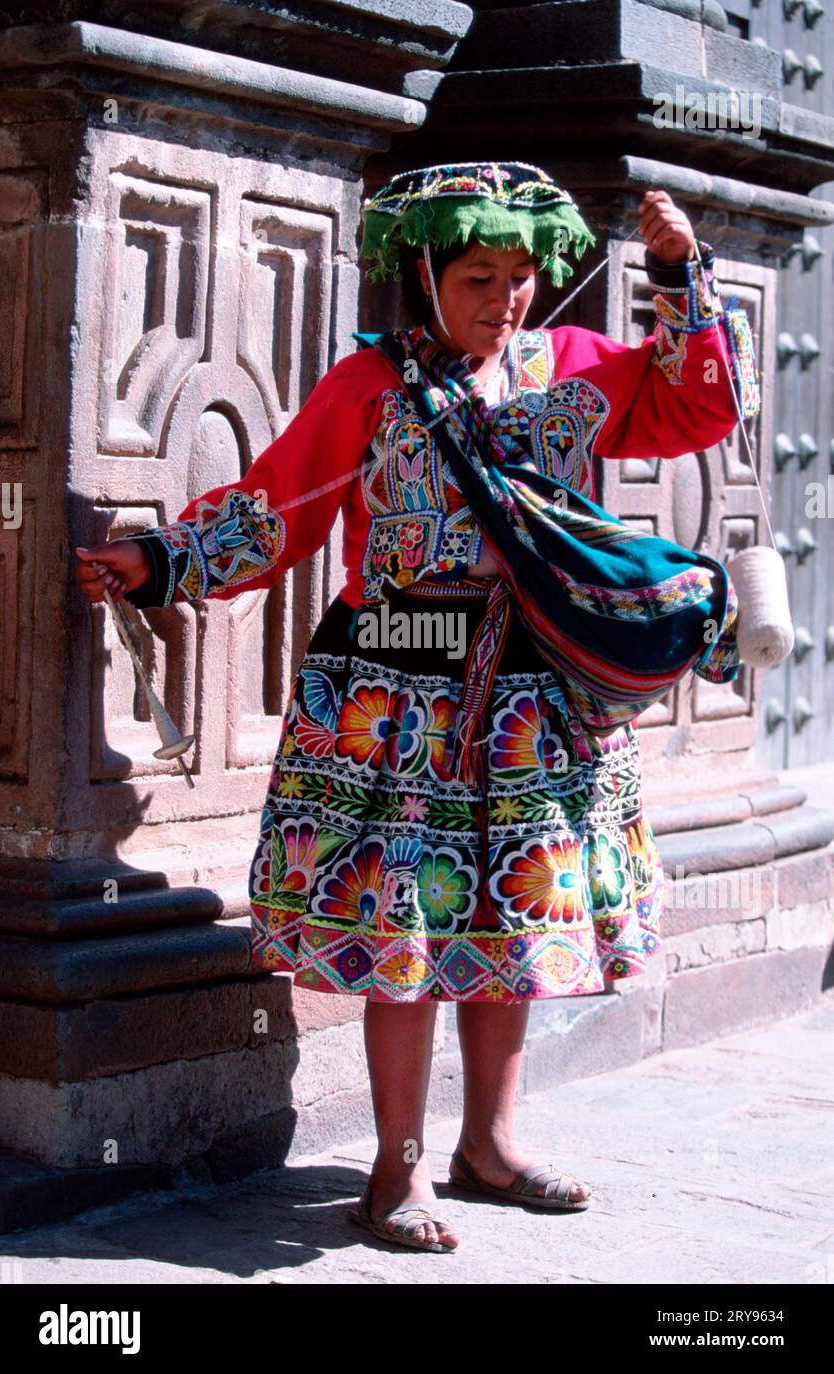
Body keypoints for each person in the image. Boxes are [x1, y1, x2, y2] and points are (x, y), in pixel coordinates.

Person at [75, 161, 759, 1255]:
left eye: (522, 276)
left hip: (534, 702)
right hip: (396, 697)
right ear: (424, 274)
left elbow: (698, 403)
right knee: (409, 931)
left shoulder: (566, 370)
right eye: (478, 276)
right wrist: (157, 560)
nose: (505, 300)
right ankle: (393, 1170)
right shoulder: (368, 389)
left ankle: (488, 1143)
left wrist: (679, 277)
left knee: (508, 925)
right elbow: (278, 507)